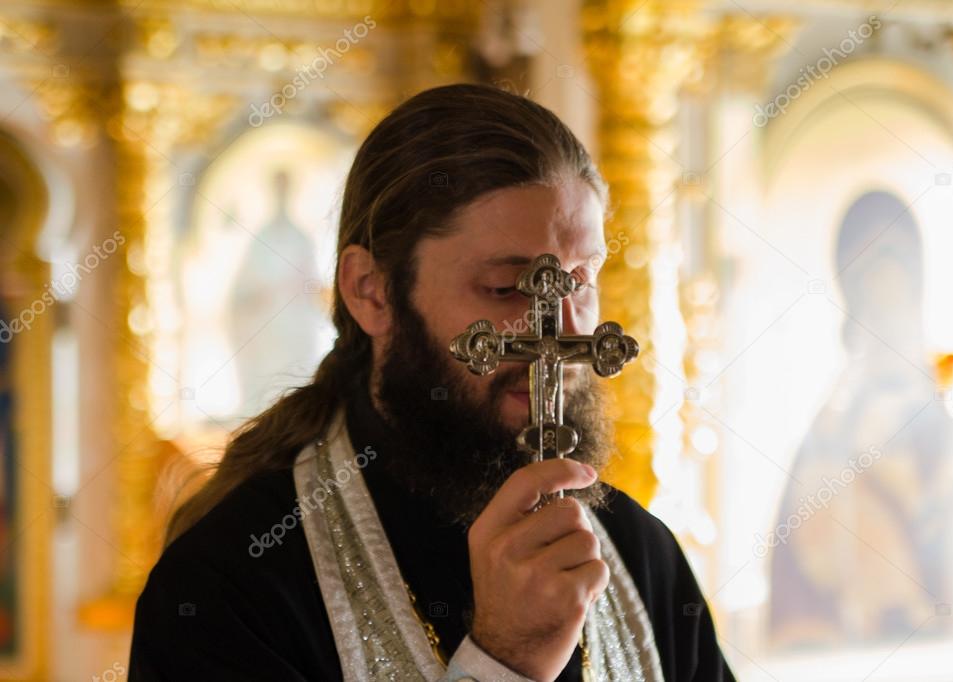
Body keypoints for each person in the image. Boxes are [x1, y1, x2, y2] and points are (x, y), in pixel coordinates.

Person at [128, 83, 735, 682]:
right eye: (503, 288)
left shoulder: (638, 553)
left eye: (578, 280)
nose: (562, 335)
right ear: (370, 290)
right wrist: (506, 661)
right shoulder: (231, 580)